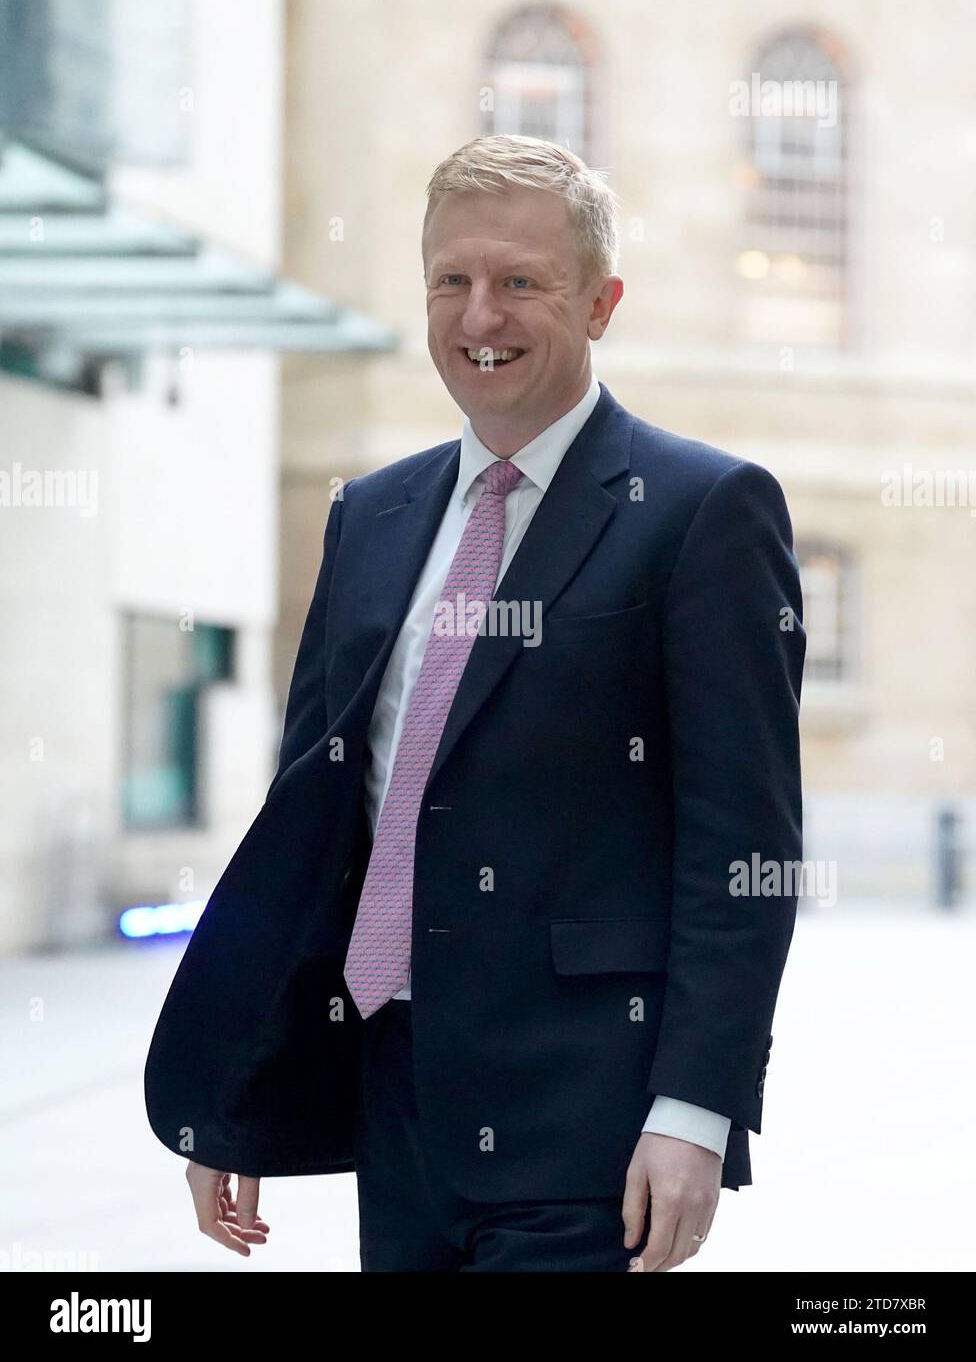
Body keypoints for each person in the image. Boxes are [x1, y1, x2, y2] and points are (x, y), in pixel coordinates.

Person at [145, 134, 805, 1273]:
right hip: (396, 1109)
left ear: (600, 304)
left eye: (518, 283)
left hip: (591, 1125)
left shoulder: (701, 511)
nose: (477, 315)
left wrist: (696, 1107)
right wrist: (231, 1085)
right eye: (450, 280)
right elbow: (311, 826)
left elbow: (742, 845)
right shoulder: (373, 514)